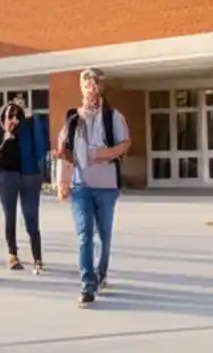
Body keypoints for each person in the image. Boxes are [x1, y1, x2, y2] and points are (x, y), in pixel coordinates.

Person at [56, 67, 131, 307]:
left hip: (107, 186)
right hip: (81, 186)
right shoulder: (72, 118)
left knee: (104, 236)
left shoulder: (113, 116)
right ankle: (87, 284)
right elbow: (64, 152)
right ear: (82, 88)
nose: (91, 88)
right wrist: (62, 182)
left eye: (95, 84)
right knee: (84, 235)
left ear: (101, 87)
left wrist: (104, 153)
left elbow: (126, 143)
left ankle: (101, 273)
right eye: (87, 84)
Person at [0, 99, 48, 273]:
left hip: (30, 176)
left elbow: (41, 149)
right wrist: (6, 139)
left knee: (31, 217)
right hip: (7, 177)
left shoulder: (28, 129)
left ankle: (37, 257)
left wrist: (34, 120)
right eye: (10, 116)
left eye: (17, 115)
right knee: (10, 216)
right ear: (3, 119)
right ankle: (12, 254)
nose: (14, 119)